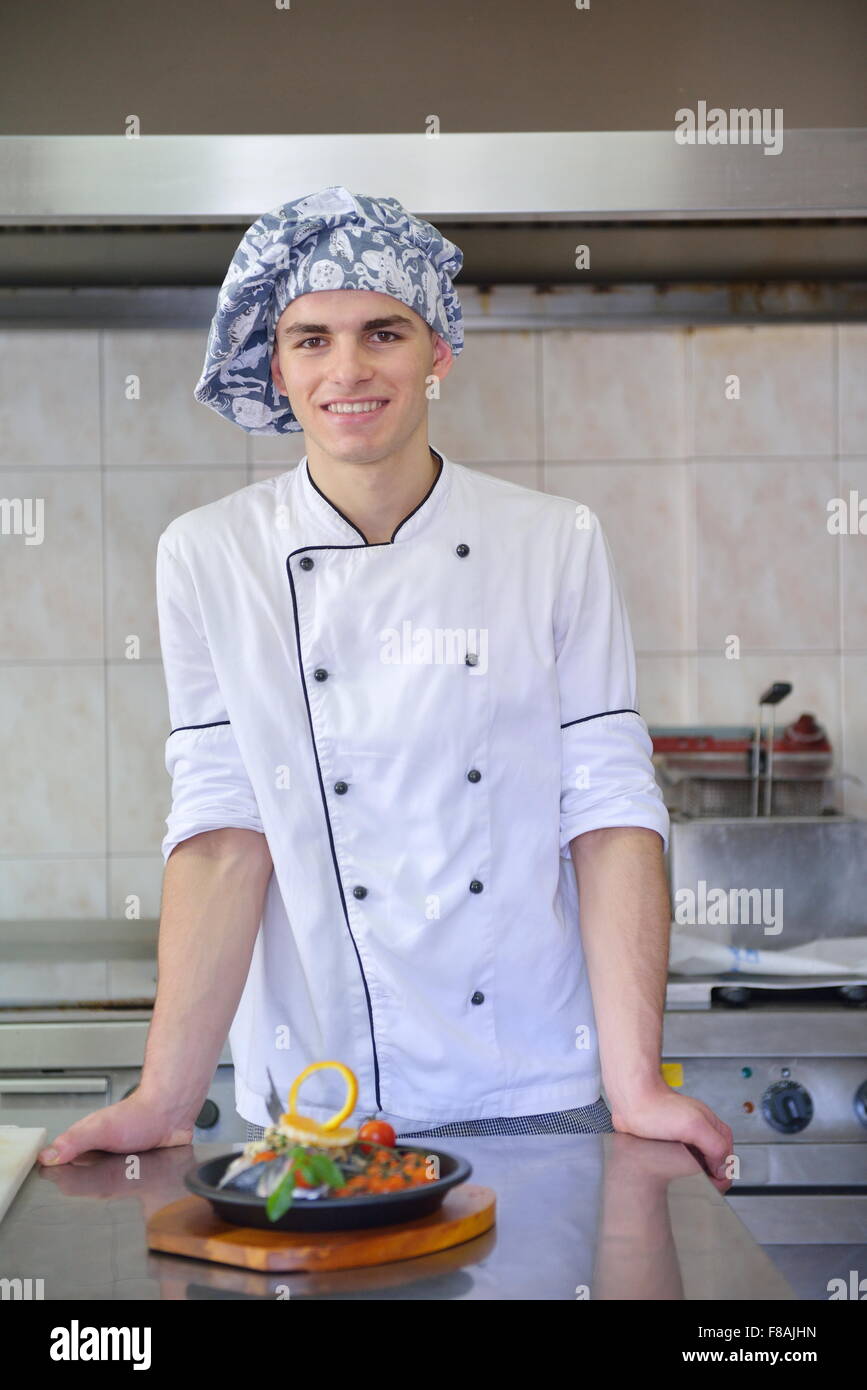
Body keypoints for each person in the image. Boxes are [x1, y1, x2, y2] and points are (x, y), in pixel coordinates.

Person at [38, 186, 732, 1181]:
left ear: (437, 351)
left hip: (531, 1083)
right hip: (319, 1105)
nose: (347, 369)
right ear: (275, 364)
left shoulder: (552, 542)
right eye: (311, 339)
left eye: (383, 332)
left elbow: (612, 809)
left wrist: (638, 1087)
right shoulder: (209, 557)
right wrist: (162, 1096)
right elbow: (225, 831)